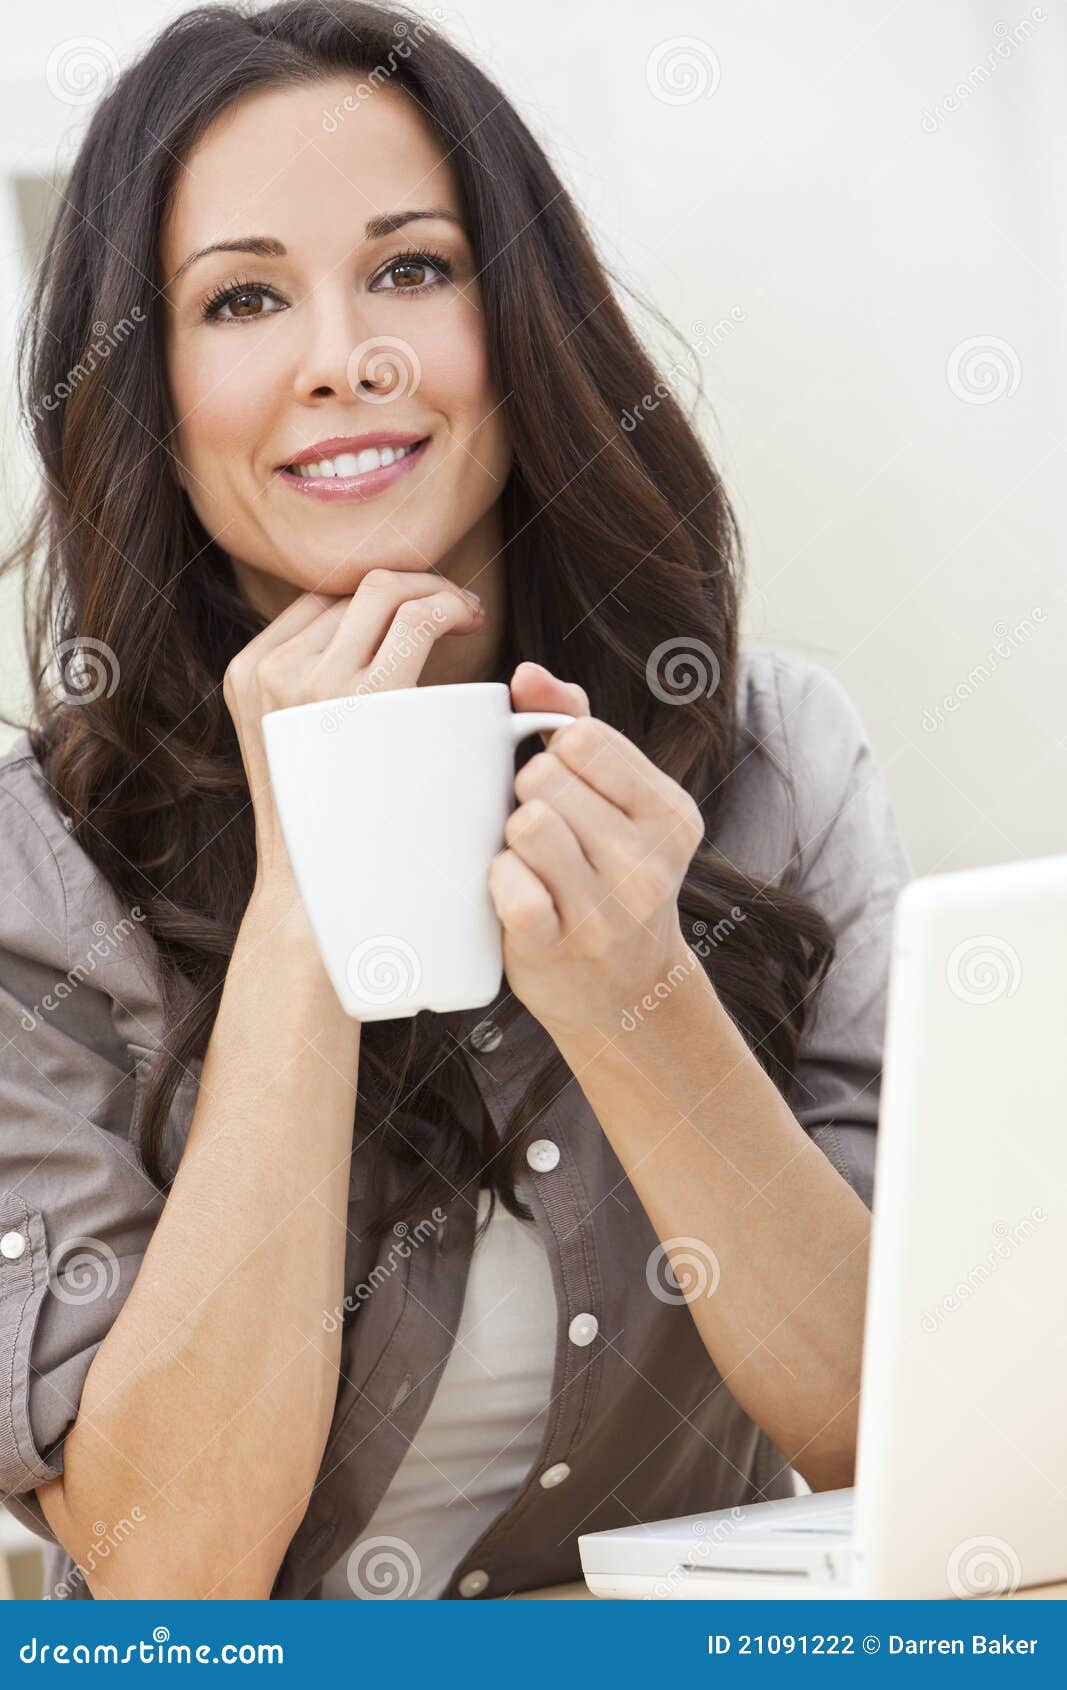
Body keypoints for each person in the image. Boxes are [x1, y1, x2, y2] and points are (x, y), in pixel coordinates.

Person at [0, 1, 911, 1599]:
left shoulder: (774, 761)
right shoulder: (30, 872)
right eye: (243, 297)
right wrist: (309, 893)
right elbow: (170, 1578)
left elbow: (892, 1452)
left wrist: (639, 995)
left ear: (523, 319)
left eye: (413, 269)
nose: (347, 354)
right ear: (149, 387)